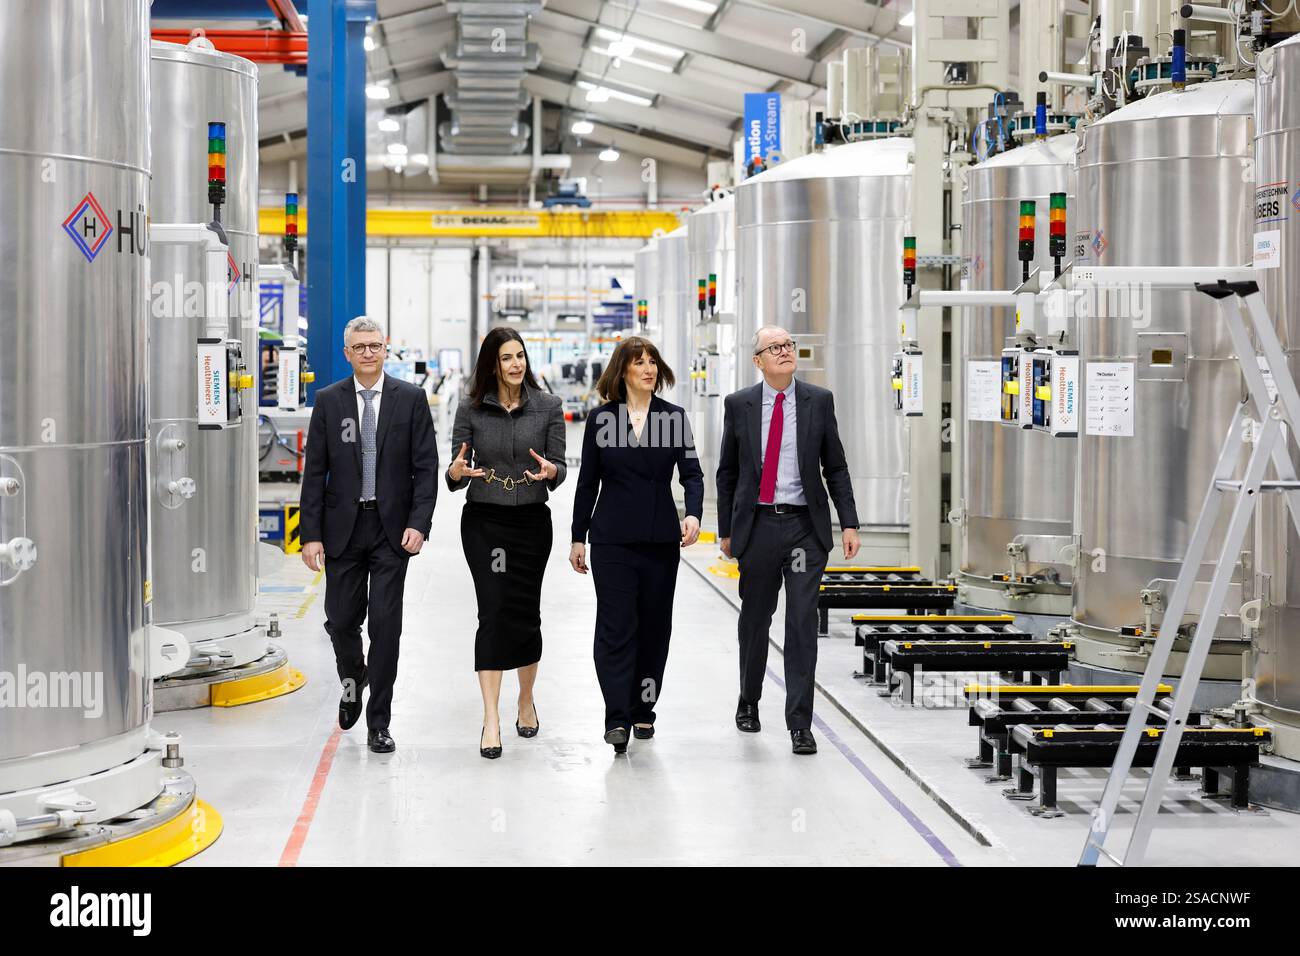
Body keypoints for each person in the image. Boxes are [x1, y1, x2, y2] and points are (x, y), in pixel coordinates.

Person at [715, 325, 860, 755]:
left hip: (803, 528)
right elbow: (728, 472)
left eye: (788, 345)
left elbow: (835, 466)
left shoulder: (819, 401)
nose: (784, 352)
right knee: (755, 619)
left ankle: (800, 722)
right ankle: (749, 700)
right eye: (773, 348)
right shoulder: (739, 404)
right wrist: (726, 529)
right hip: (758, 526)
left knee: (801, 622)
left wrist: (848, 522)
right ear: (757, 360)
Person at [300, 316, 438, 754]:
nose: (367, 353)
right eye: (359, 347)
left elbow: (426, 469)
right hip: (343, 529)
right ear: (347, 353)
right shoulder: (328, 401)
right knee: (340, 619)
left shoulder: (410, 400)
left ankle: (379, 721)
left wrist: (419, 523)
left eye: (374, 345)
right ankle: (353, 675)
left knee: (385, 626)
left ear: (385, 349)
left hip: (391, 531)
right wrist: (310, 534)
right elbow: (315, 472)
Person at [569, 337, 703, 755]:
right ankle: (616, 716)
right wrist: (578, 536)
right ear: (622, 371)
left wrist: (694, 514)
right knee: (615, 627)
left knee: (654, 626)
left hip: (661, 539)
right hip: (611, 539)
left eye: (652, 362)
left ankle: (644, 708)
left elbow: (693, 474)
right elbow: (587, 481)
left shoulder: (674, 418)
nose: (648, 368)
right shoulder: (601, 420)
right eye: (638, 362)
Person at [447, 327, 566, 759]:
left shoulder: (549, 406)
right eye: (507, 358)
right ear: (492, 365)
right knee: (493, 611)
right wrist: (457, 473)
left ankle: (526, 699)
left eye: (520, 356)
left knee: (525, 612)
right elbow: (454, 474)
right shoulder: (471, 409)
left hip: (533, 521)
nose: (516, 364)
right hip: (485, 522)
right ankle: (491, 717)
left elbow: (561, 466)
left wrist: (551, 473)